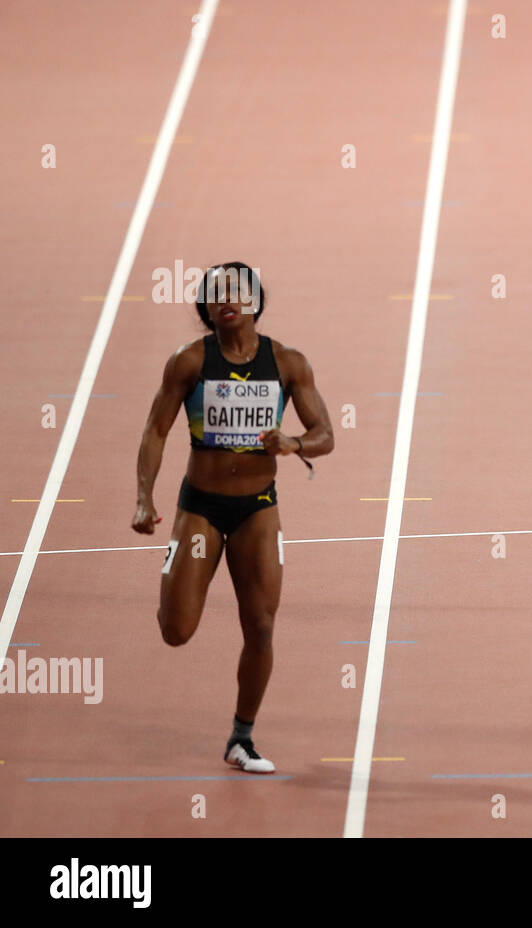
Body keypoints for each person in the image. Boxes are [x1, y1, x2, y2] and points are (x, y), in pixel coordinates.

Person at [132, 262, 334, 771]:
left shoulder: (287, 363)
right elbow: (156, 430)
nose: (225, 300)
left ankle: (241, 738)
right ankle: (173, 584)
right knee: (176, 630)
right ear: (205, 307)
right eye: (214, 293)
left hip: (257, 509)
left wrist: (292, 443)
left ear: (254, 301)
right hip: (200, 506)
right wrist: (144, 498)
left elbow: (325, 435)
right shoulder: (188, 362)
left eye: (235, 292)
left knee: (261, 626)